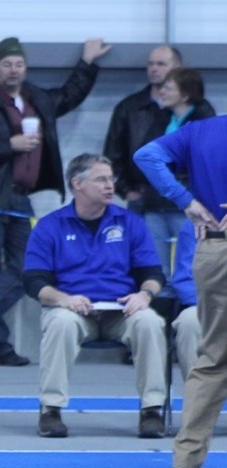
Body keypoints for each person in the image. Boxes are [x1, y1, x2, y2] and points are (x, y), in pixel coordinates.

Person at [0, 36, 111, 367]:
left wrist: (88, 63)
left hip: (20, 199)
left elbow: (68, 96)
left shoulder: (37, 100)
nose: (13, 70)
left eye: (19, 64)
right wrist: (10, 144)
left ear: (26, 68)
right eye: (7, 64)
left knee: (27, 268)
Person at [23, 153, 167, 439]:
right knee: (60, 323)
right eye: (101, 179)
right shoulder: (50, 226)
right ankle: (50, 409)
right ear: (77, 184)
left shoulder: (131, 223)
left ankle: (152, 410)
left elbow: (153, 273)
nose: (110, 186)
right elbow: (33, 281)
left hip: (121, 311)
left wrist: (145, 295)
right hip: (74, 311)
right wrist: (63, 299)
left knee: (149, 322)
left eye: (111, 179)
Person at [133, 114, 227, 468]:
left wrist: (185, 200)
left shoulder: (200, 130)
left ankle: (186, 459)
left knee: (212, 356)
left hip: (212, 249)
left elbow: (146, 156)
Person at [103, 48, 216, 291]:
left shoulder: (204, 117)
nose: (161, 91)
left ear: (184, 94)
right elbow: (135, 155)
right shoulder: (159, 115)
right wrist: (129, 190)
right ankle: (162, 323)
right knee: (155, 269)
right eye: (150, 64)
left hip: (190, 204)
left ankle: (189, 322)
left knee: (189, 269)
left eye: (168, 87)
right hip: (153, 201)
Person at [170, 220, 200, 381]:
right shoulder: (192, 226)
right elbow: (184, 279)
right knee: (189, 320)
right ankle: (197, 396)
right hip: (207, 305)